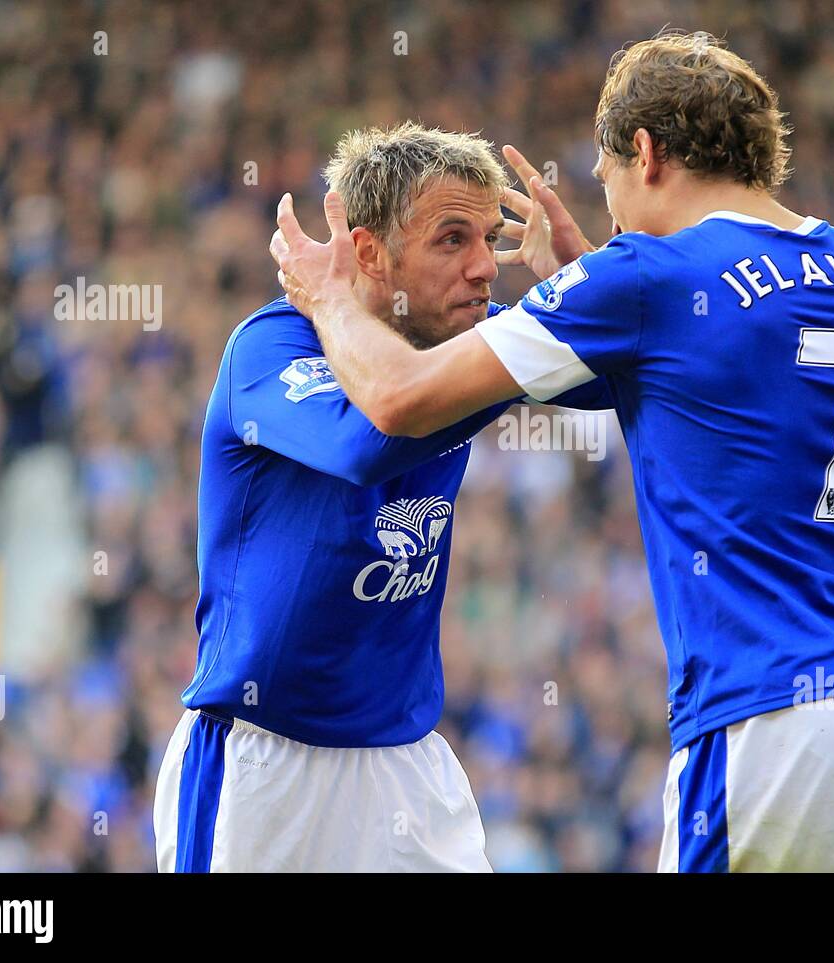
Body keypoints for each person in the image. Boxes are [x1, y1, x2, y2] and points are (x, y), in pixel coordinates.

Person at [270, 31, 834, 871]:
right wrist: (587, 275)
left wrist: (331, 299)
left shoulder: (644, 274)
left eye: (604, 179)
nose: (606, 207)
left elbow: (398, 397)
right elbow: (714, 363)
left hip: (777, 710)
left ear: (643, 152)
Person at [154, 122, 605, 871]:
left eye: (488, 238)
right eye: (450, 239)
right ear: (367, 252)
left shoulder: (472, 343)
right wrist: (337, 310)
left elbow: (634, 382)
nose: (484, 267)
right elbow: (365, 442)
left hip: (406, 768)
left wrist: (588, 289)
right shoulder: (271, 349)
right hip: (266, 768)